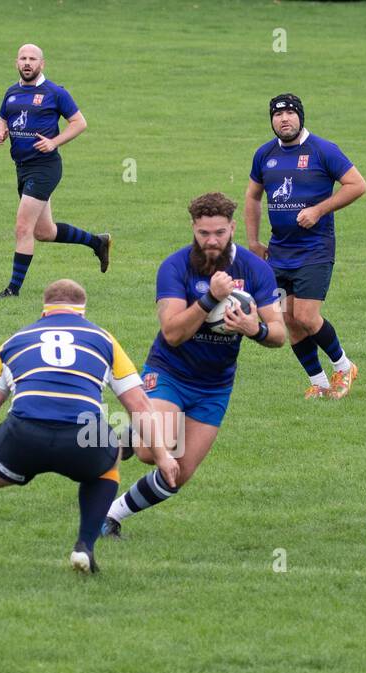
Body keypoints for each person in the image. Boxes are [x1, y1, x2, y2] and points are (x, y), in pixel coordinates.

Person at [0, 280, 176, 575]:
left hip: (25, 432)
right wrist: (163, 456)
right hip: (81, 436)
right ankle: (84, 548)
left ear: (44, 312)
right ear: (82, 313)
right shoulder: (103, 339)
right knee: (109, 463)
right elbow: (140, 406)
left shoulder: (15, 340)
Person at [102, 192, 286, 538]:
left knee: (177, 473)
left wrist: (254, 328)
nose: (212, 240)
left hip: (215, 385)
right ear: (193, 229)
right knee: (150, 452)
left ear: (232, 228)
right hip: (169, 371)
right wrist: (209, 299)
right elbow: (172, 333)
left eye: (219, 232)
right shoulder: (174, 267)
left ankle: (111, 516)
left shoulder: (256, 269)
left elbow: (279, 334)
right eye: (204, 233)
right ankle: (136, 436)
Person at [244, 93, 366, 399]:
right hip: (279, 251)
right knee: (287, 319)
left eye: (289, 113)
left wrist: (319, 210)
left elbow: (357, 185)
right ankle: (321, 384)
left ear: (300, 116)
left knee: (307, 317)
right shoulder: (264, 155)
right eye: (277, 114)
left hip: (315, 249)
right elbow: (252, 197)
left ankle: (344, 366)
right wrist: (254, 242)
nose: (284, 119)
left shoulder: (323, 150)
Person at [0, 44, 109, 298]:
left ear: (41, 64)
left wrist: (54, 142)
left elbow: (80, 122)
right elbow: (4, 116)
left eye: (32, 59)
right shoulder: (11, 93)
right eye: (23, 58)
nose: (27, 63)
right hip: (22, 168)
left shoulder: (55, 92)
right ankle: (97, 242)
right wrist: (0, 131)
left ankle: (13, 290)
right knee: (44, 232)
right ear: (16, 63)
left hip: (45, 168)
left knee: (23, 228)